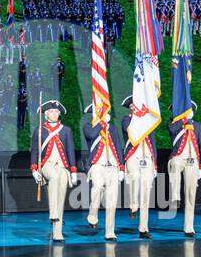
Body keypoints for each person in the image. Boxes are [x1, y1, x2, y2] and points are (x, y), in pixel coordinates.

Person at [30, 100, 78, 243]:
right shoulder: (39, 130)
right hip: (46, 165)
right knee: (55, 177)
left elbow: (70, 151)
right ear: (46, 115)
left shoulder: (66, 130)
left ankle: (58, 233)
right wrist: (34, 169)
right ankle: (53, 214)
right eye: (51, 111)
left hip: (62, 166)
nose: (55, 113)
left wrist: (73, 170)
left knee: (61, 196)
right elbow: (34, 151)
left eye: (57, 112)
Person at [81, 103, 125, 241]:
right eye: (98, 112)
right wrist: (101, 123)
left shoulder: (112, 128)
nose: (102, 113)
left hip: (112, 166)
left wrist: (122, 167)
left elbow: (118, 147)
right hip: (97, 165)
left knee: (112, 199)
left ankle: (110, 232)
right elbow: (92, 135)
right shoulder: (88, 127)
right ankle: (93, 214)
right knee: (98, 186)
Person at [120, 95, 158, 238]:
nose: (134, 108)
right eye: (132, 107)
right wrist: (139, 117)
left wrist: (155, 164)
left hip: (147, 156)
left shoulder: (149, 122)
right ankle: (133, 205)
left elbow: (153, 142)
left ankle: (144, 228)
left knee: (146, 191)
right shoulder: (127, 120)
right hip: (132, 155)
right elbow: (128, 129)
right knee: (135, 177)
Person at [167, 103, 201, 238]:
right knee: (175, 164)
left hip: (193, 159)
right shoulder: (172, 123)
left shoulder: (197, 125)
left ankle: (189, 227)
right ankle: (175, 196)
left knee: (190, 194)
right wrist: (184, 120)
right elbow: (172, 130)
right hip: (179, 157)